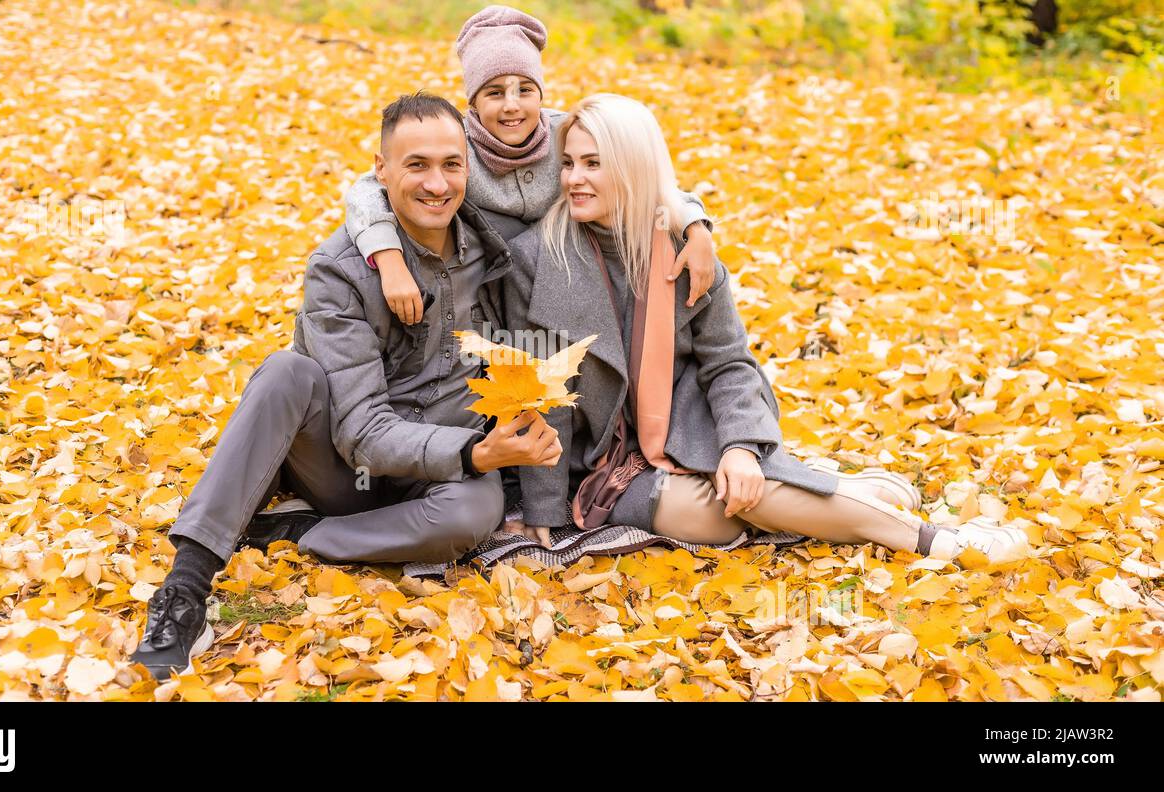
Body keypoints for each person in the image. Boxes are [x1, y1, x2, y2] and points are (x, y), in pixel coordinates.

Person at [130, 93, 562, 681]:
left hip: (434, 482)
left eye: (451, 164)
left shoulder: (491, 252)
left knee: (477, 508)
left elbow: (605, 176)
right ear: (380, 172)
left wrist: (692, 221)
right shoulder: (339, 269)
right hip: (346, 466)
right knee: (286, 372)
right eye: (416, 165)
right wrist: (474, 453)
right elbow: (361, 430)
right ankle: (185, 587)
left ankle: (302, 532)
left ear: (469, 167)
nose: (437, 184)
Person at [499, 93, 1030, 563]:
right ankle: (841, 489)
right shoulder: (538, 259)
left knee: (744, 491)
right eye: (568, 163)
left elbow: (728, 362)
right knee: (710, 520)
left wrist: (741, 448)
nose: (573, 178)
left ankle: (937, 540)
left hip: (692, 425)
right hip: (608, 462)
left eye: (594, 163)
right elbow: (542, 395)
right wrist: (545, 504)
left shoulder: (686, 250)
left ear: (634, 168)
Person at [343, 5, 721, 328]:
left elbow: (640, 174)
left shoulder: (566, 133)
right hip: (487, 292)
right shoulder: (456, 145)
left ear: (540, 93)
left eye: (525, 90)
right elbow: (369, 189)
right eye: (494, 93)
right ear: (473, 101)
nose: (512, 106)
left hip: (572, 282)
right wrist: (388, 257)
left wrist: (695, 226)